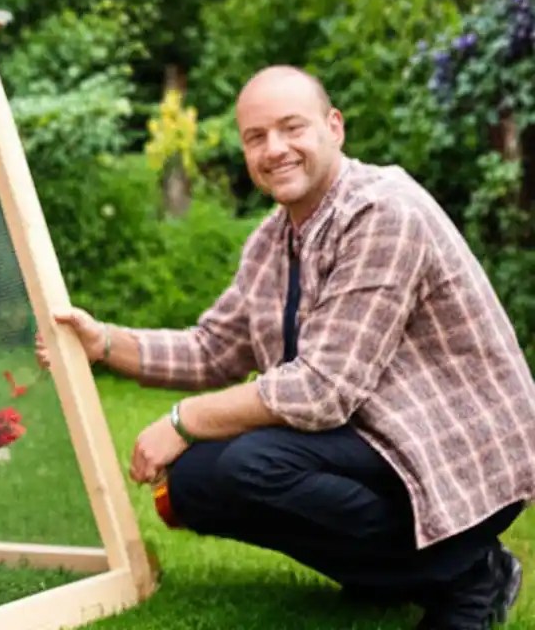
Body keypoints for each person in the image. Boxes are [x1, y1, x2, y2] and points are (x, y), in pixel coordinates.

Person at [35, 65, 534, 629]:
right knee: (197, 482)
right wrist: (102, 342)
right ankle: (388, 576)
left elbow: (323, 390)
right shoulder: (276, 237)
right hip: (369, 432)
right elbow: (213, 348)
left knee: (253, 464)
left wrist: (182, 420)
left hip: (450, 443)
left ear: (335, 128)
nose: (274, 149)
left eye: (291, 128)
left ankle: (470, 573)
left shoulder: (383, 213)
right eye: (255, 137)